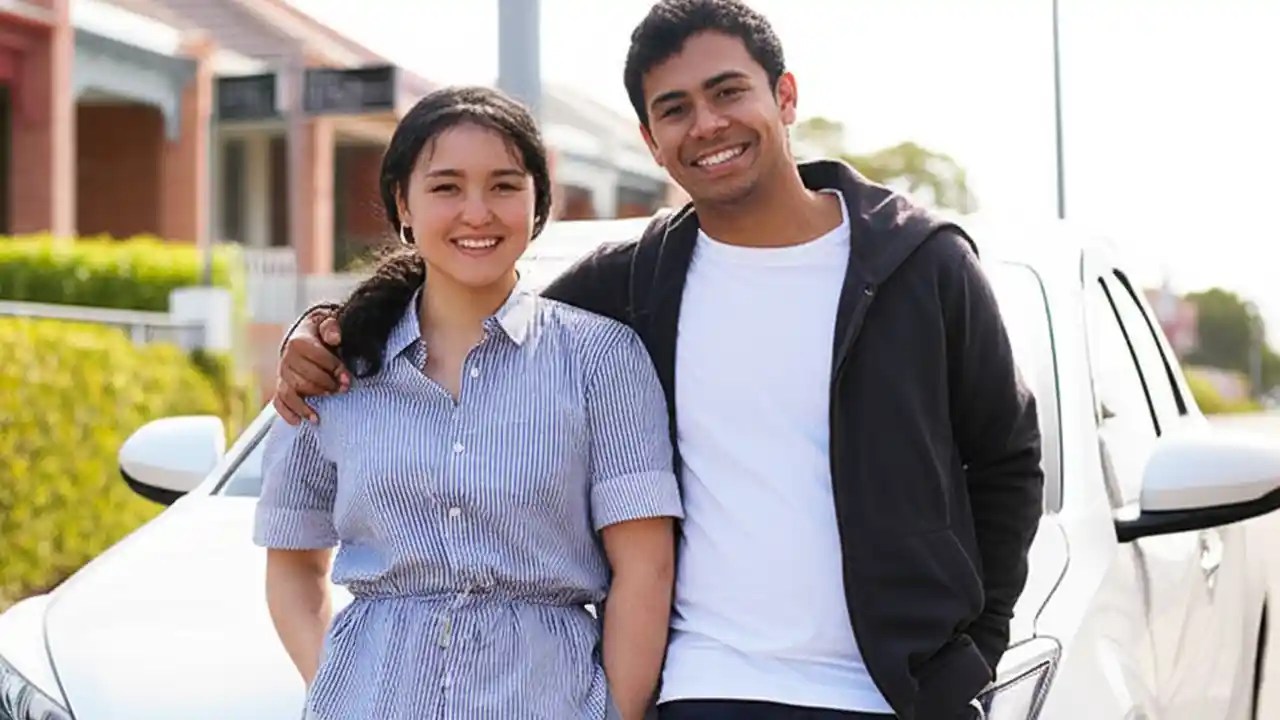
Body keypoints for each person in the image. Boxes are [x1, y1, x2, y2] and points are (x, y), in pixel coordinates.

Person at [273, 2, 1045, 719]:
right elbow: (474, 292)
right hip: (702, 687)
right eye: (674, 109)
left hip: (889, 693)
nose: (706, 124)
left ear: (784, 95)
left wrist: (971, 652)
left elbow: (1006, 461)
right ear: (650, 138)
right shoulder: (634, 285)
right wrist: (320, 334)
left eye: (727, 92)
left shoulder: (919, 265)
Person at [254, 85, 683, 720]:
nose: (477, 212)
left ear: (538, 202)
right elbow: (292, 565)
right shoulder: (335, 367)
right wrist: (341, 689)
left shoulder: (602, 359)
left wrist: (615, 711)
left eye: (504, 186)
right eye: (447, 187)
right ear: (404, 201)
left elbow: (645, 569)